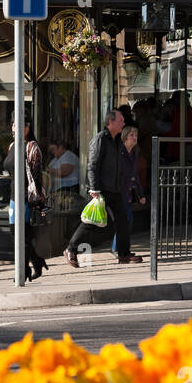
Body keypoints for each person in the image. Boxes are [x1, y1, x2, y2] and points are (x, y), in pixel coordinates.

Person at [65, 109, 143, 267]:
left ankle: (124, 254)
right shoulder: (100, 139)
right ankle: (71, 249)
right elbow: (92, 165)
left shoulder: (117, 141)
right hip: (101, 190)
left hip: (115, 189)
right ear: (111, 122)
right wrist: (94, 188)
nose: (123, 123)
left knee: (123, 220)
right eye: (120, 120)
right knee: (91, 222)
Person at [3, 115, 49, 280]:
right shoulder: (12, 145)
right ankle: (36, 262)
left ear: (28, 128)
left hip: (27, 196)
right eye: (15, 124)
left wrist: (36, 200)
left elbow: (37, 175)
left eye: (23, 125)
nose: (18, 127)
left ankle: (22, 271)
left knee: (21, 234)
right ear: (12, 127)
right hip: (13, 195)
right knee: (17, 233)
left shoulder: (32, 147)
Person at [111, 124, 146, 254]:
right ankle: (118, 248)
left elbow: (134, 175)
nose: (135, 137)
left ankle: (119, 248)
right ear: (125, 137)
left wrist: (141, 194)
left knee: (126, 220)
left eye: (136, 135)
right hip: (117, 193)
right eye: (132, 135)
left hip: (127, 194)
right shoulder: (119, 152)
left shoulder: (133, 154)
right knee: (125, 220)